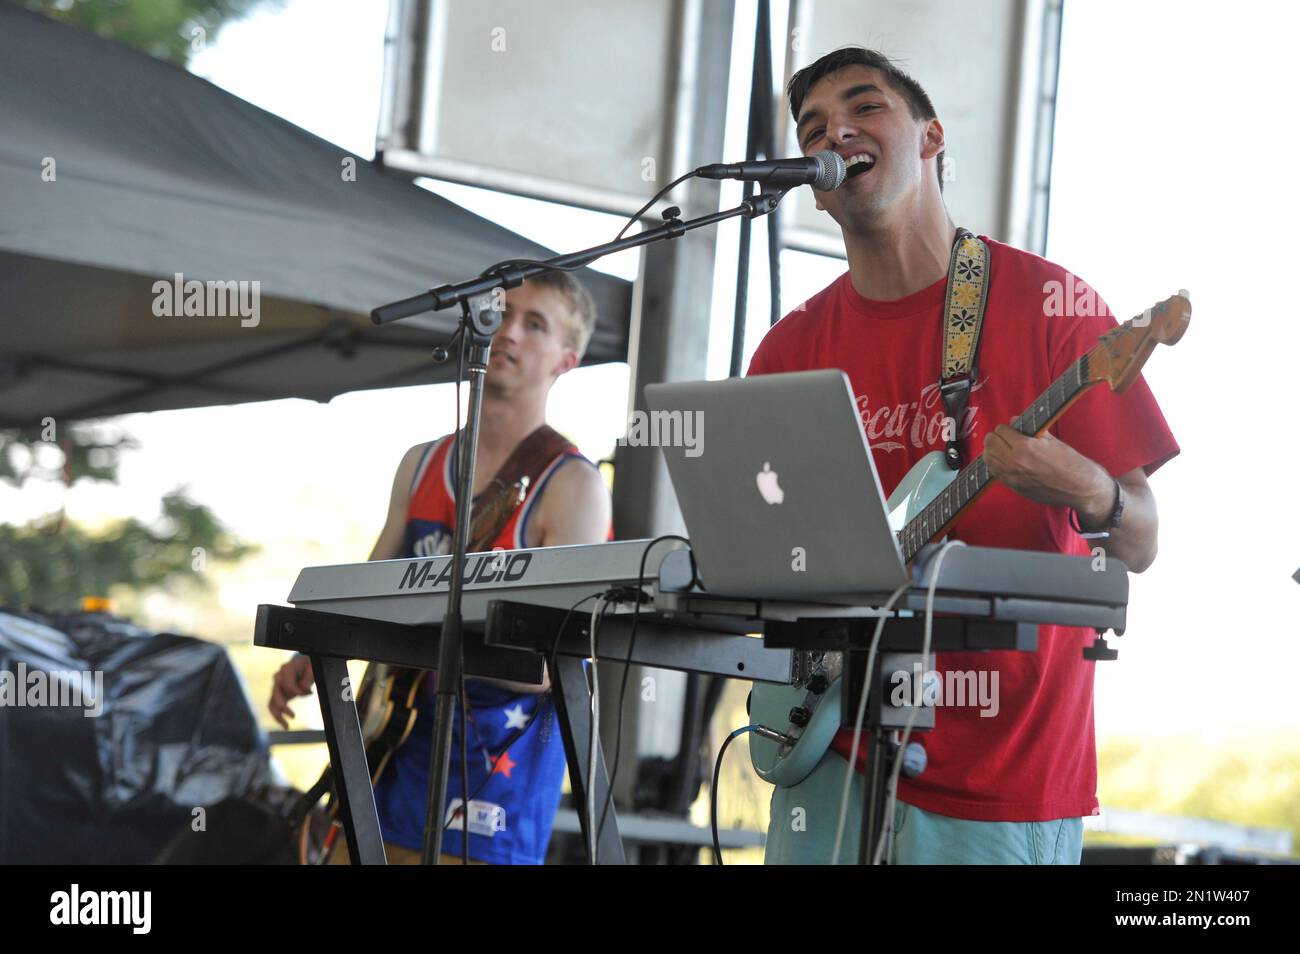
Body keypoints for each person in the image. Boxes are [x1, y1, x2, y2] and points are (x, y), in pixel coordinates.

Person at [748, 47, 1179, 864]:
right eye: (811, 128)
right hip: (828, 749)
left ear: (932, 138)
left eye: (864, 108)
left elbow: (1142, 540)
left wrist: (1084, 484)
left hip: (1001, 772)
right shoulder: (786, 350)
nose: (833, 130)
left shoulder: (1056, 308)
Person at [269, 273, 612, 864]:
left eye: (535, 324)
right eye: (501, 313)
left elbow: (558, 662)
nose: (507, 332)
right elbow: (372, 588)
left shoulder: (572, 485)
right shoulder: (421, 463)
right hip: (391, 744)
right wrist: (316, 649)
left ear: (566, 361)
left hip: (491, 770)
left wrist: (433, 632)